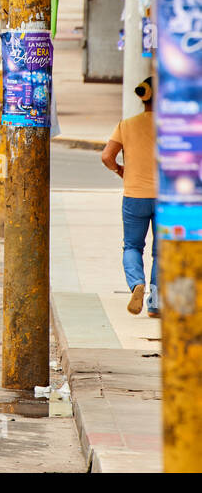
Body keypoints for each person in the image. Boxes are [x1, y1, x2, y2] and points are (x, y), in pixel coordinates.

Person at [101, 77, 159, 317]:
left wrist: (119, 170)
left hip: (134, 195)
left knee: (132, 246)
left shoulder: (127, 125)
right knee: (162, 252)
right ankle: (155, 304)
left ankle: (136, 282)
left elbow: (106, 156)